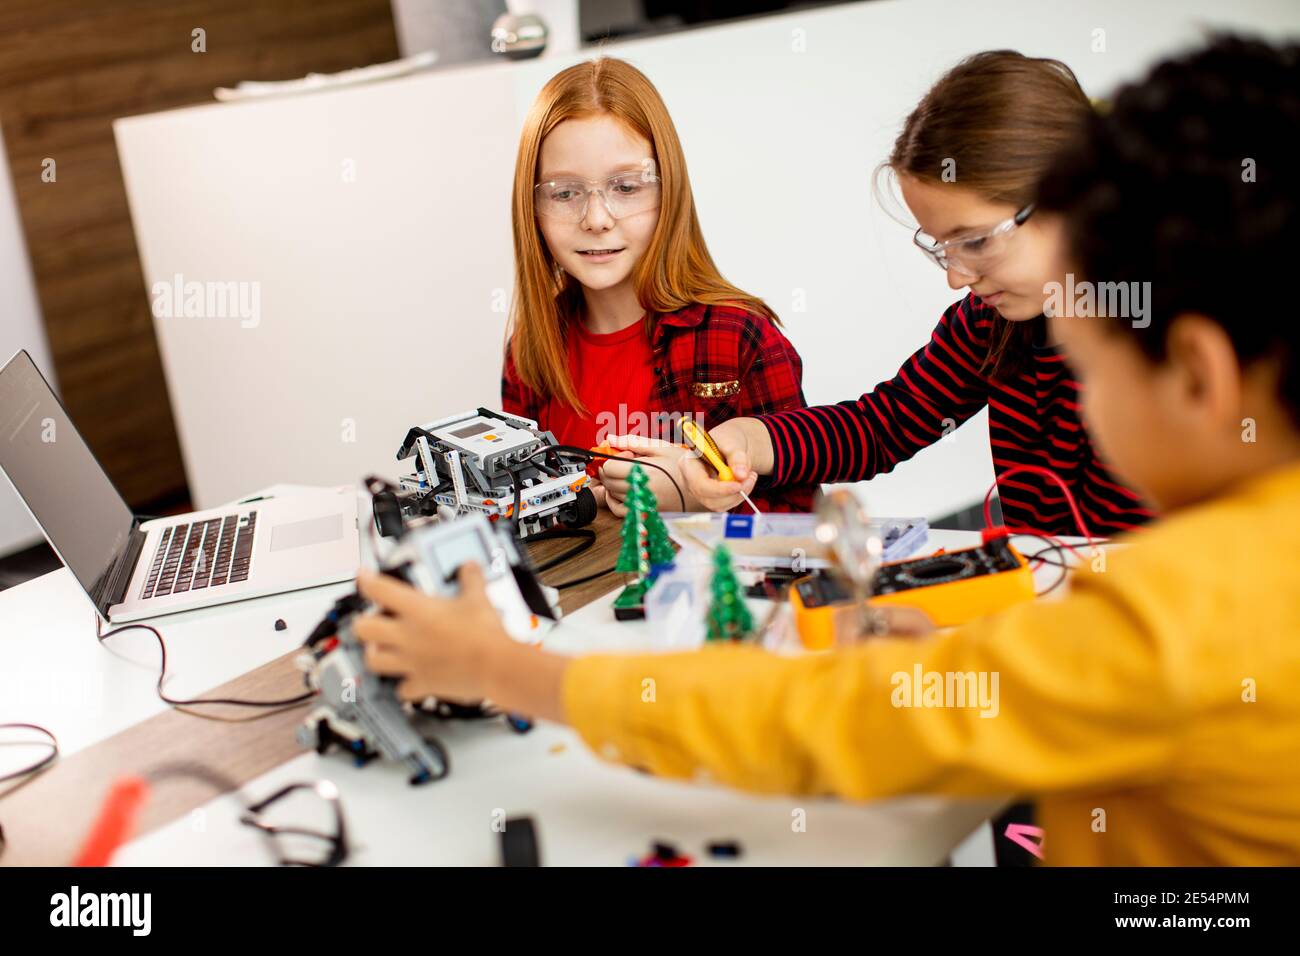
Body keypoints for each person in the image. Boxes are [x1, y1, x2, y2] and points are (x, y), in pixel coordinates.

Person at [355, 36, 1300, 865]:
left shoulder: (1171, 623)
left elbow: (823, 722)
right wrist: (762, 442)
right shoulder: (1216, 565)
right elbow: (886, 422)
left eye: (1095, 369)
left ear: (1197, 377)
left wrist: (509, 673)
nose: (960, 277)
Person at [677, 51, 1154, 537]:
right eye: (943, 248)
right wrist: (750, 439)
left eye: (975, 241)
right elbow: (881, 428)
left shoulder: (1162, 335)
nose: (957, 277)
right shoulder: (990, 325)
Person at [501, 57, 813, 514]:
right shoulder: (529, 353)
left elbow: (800, 530)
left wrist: (691, 499)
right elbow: (524, 518)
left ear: (669, 191)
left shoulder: (740, 339)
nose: (597, 219)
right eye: (564, 193)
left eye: (626, 187)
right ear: (532, 207)